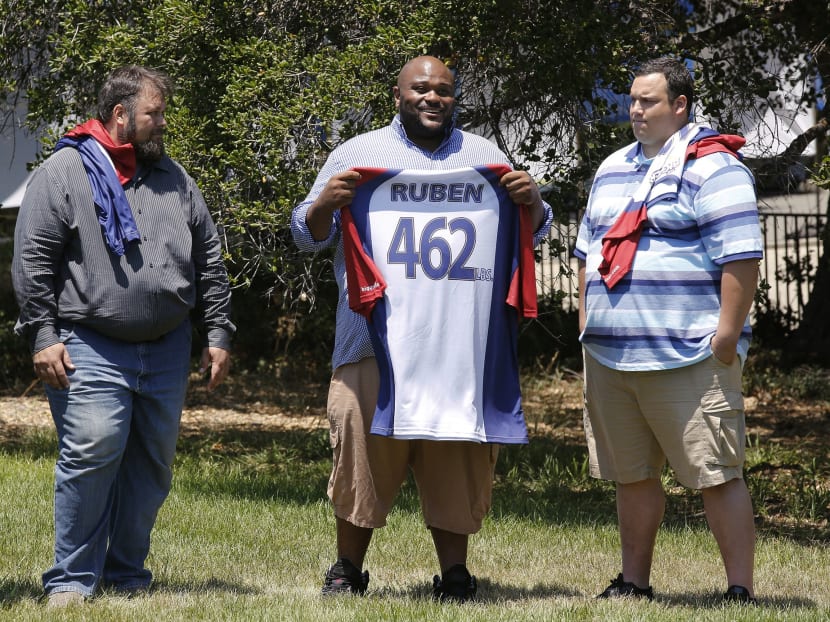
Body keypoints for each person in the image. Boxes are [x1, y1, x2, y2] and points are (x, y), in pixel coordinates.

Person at [291, 55, 552, 601]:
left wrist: (533, 203)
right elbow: (307, 233)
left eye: (444, 90)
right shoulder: (356, 153)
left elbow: (530, 231)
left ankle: (454, 575)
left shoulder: (485, 157)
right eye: (421, 89)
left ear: (455, 98)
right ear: (398, 95)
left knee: (455, 454)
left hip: (458, 345)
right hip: (371, 340)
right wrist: (325, 205)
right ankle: (347, 570)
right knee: (362, 452)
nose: (432, 97)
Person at [12, 65, 235, 607]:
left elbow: (208, 254)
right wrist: (43, 334)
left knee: (151, 464)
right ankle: (71, 580)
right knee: (91, 454)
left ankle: (126, 574)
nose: (161, 124)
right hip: (91, 341)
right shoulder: (64, 173)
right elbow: (33, 262)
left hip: (166, 347)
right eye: (154, 114)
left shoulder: (174, 177)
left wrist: (219, 329)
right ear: (120, 114)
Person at [574, 57, 762, 604]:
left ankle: (739, 591)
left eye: (648, 101)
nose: (635, 110)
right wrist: (586, 321)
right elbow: (588, 248)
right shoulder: (612, 167)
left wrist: (725, 338)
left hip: (688, 357)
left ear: (679, 106)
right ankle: (634, 583)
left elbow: (741, 257)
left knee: (716, 473)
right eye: (632, 100)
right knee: (630, 475)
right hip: (611, 358)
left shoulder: (714, 167)